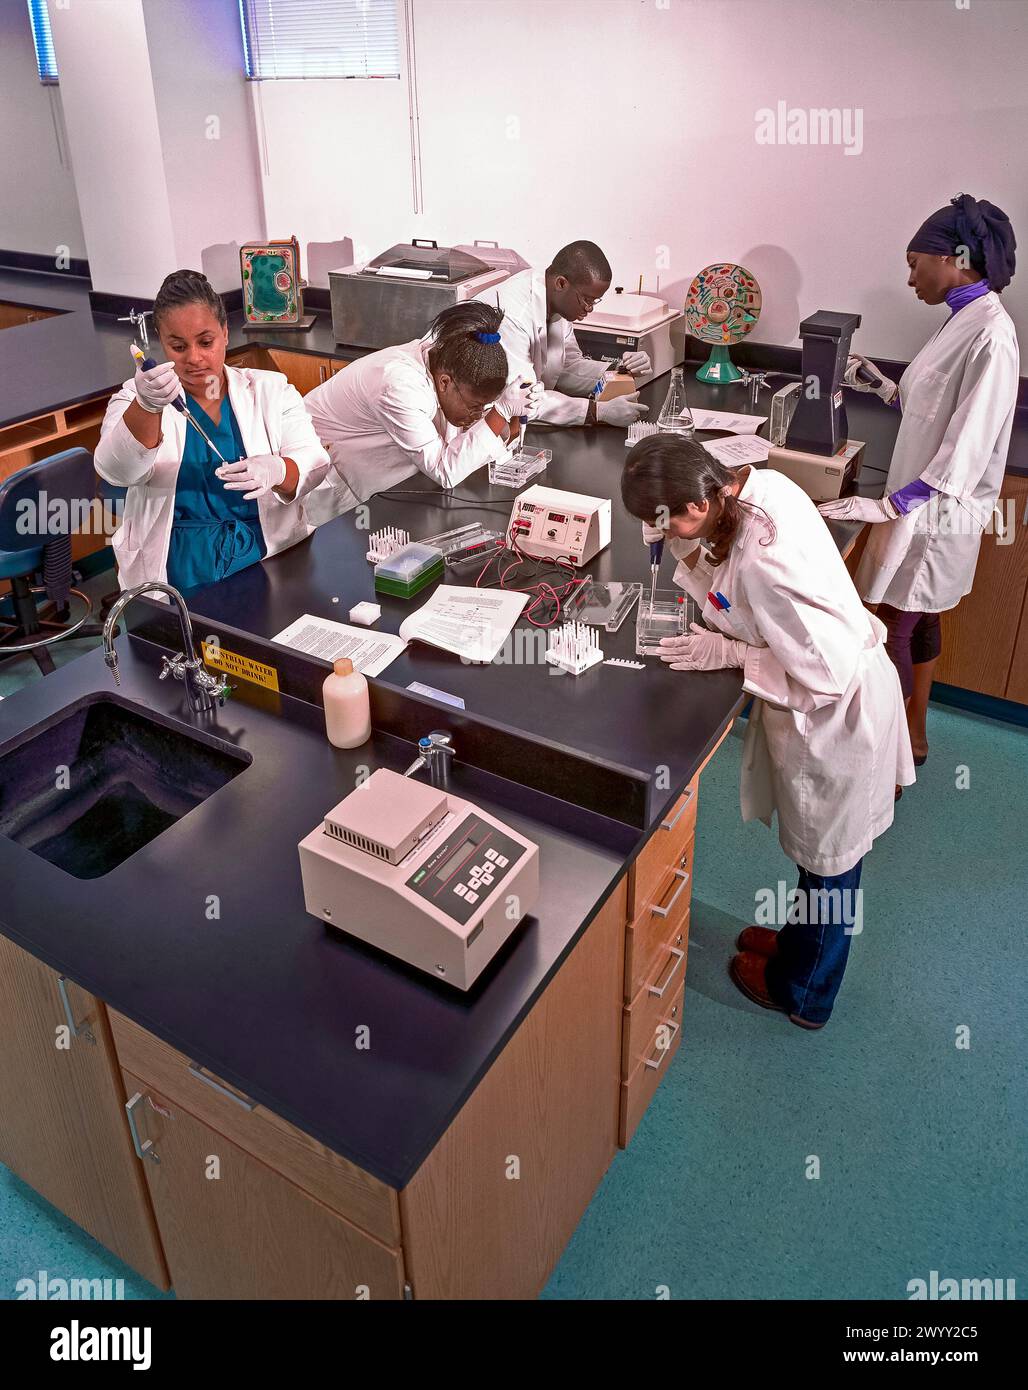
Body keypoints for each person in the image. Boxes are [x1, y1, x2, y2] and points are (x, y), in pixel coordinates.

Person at [623, 436, 914, 1029]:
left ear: (697, 506)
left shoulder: (766, 560)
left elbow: (824, 674)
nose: (667, 535)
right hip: (833, 699)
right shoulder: (752, 489)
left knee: (833, 869)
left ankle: (805, 992)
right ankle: (798, 945)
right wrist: (683, 551)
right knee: (819, 868)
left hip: (837, 715)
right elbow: (731, 583)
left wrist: (727, 653)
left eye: (666, 522)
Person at [819, 194, 1019, 765]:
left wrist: (892, 506)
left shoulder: (991, 334)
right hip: (920, 500)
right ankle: (916, 730)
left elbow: (970, 440)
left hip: (934, 510)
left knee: (892, 626)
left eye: (914, 262)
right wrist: (882, 385)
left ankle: (892, 757)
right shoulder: (962, 319)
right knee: (919, 612)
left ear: (955, 257)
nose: (909, 278)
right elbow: (934, 406)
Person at [95, 269, 329, 593]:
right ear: (161, 342)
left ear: (225, 332)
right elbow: (116, 471)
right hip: (178, 572)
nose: (194, 358)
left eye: (206, 342)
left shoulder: (269, 390)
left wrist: (277, 469)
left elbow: (314, 463)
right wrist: (148, 406)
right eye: (178, 346)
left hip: (266, 559)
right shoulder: (133, 400)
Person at [303, 302, 541, 521]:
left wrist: (512, 418)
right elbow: (445, 470)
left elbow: (469, 438)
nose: (478, 415)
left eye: (485, 406)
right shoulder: (398, 385)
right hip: (326, 472)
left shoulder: (449, 364)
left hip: (377, 471)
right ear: (446, 382)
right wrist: (499, 411)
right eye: (474, 406)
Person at [484, 240, 650, 428]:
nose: (589, 309)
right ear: (561, 283)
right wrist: (598, 411)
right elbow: (522, 396)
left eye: (595, 301)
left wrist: (621, 369)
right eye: (586, 299)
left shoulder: (557, 305)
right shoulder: (513, 314)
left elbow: (568, 367)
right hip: (481, 425)